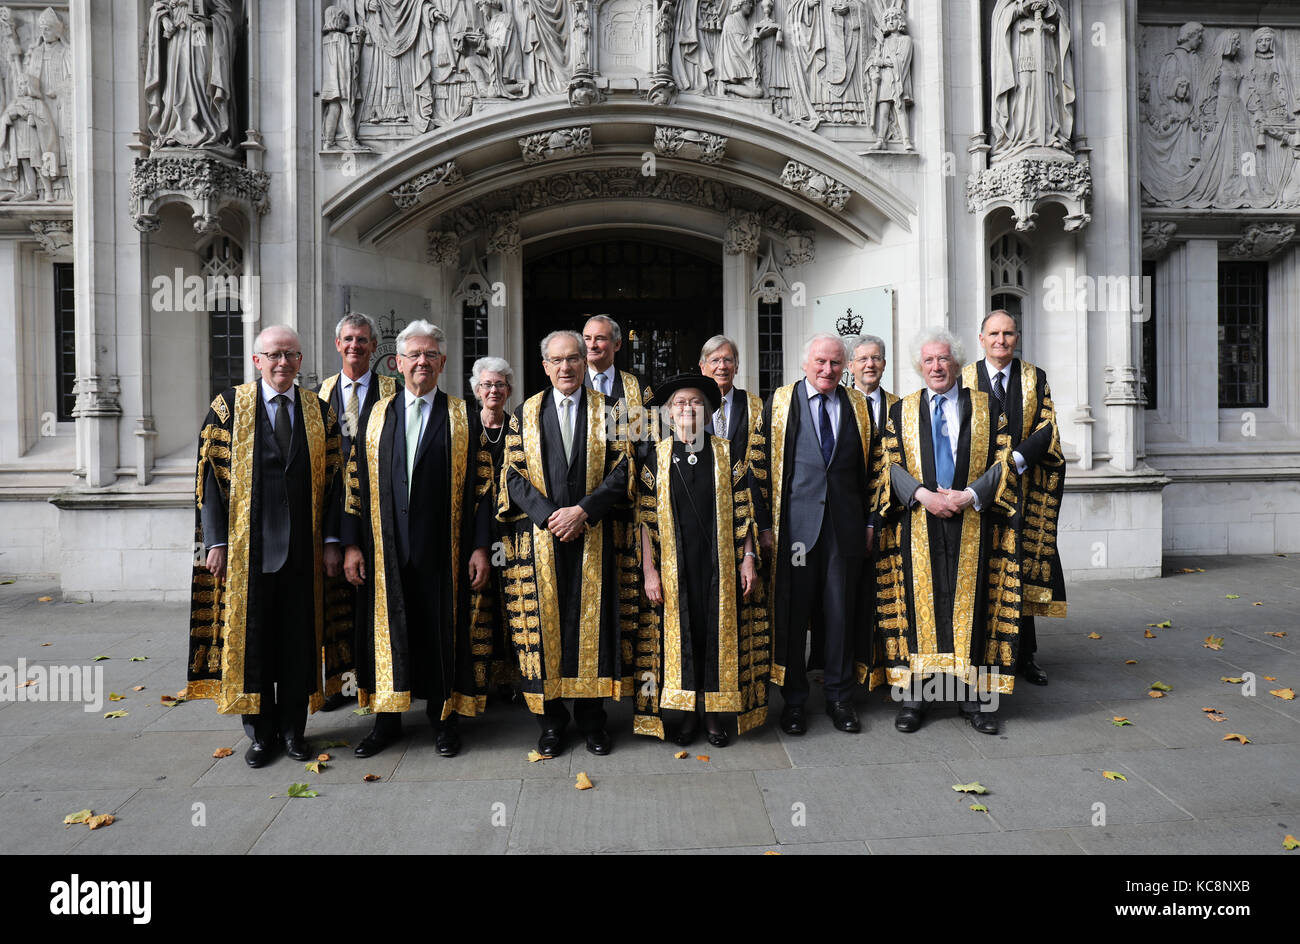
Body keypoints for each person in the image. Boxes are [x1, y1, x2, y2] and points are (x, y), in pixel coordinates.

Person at [186, 325, 344, 768]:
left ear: (300, 361)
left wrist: (332, 541)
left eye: (291, 355)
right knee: (255, 644)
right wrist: (214, 541)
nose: (282, 363)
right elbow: (208, 480)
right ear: (257, 360)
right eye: (273, 354)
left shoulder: (318, 410)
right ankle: (260, 734)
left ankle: (294, 732)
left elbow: (336, 483)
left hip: (304, 553)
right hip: (246, 553)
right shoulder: (228, 408)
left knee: (296, 645)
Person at [341, 321, 493, 758]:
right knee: (387, 637)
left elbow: (484, 487)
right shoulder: (375, 415)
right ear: (398, 362)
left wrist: (480, 547)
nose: (422, 362)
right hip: (384, 549)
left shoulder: (463, 415)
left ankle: (443, 721)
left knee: (439, 636)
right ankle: (386, 722)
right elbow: (352, 482)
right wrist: (352, 545)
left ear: (443, 362)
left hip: (443, 550)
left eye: (430, 355)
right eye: (414, 355)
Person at [878, 329, 1020, 735]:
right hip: (919, 523)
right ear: (919, 367)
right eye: (929, 361)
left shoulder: (989, 408)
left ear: (957, 364)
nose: (936, 367)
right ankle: (916, 698)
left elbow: (1005, 461)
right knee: (920, 604)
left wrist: (969, 495)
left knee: (972, 608)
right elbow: (888, 465)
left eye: (943, 360)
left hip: (973, 519)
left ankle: (975, 700)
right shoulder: (900, 411)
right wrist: (923, 495)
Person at [497, 330, 632, 756]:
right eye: (557, 360)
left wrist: (584, 511)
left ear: (583, 362)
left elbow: (625, 467)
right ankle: (551, 723)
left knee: (590, 629)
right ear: (545, 366)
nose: (566, 367)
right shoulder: (523, 413)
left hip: (593, 535)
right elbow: (512, 473)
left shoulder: (611, 410)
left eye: (573, 358)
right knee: (547, 632)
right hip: (542, 540)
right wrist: (548, 515)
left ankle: (593, 722)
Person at [636, 373, 764, 746]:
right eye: (679, 403)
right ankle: (687, 714)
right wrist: (649, 572)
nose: (687, 408)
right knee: (683, 636)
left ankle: (713, 715)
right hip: (675, 568)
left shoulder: (727, 454)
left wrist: (749, 559)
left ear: (707, 411)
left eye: (695, 402)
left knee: (714, 635)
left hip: (719, 566)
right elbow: (643, 520)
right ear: (669, 413)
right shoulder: (655, 458)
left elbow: (746, 513)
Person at [765, 333, 877, 736]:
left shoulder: (860, 408)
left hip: (844, 531)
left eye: (834, 363)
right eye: (820, 362)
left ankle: (839, 698)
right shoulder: (779, 404)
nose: (827, 369)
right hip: (794, 533)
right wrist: (764, 527)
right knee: (793, 618)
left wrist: (869, 523)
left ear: (844, 366)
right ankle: (794, 702)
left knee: (839, 614)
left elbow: (875, 470)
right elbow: (762, 469)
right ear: (804, 363)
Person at [962, 310, 1066, 686]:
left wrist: (1015, 461)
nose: (1000, 340)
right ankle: (981, 652)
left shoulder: (1034, 378)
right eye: (993, 333)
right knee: (983, 571)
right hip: (979, 491)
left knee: (1019, 569)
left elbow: (1047, 427)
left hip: (1021, 488)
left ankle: (1025, 656)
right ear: (981, 338)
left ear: (1016, 338)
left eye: (1007, 334)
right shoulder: (965, 377)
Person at [316, 312, 397, 711]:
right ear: (337, 344)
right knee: (338, 606)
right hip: (336, 515)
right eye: (348, 339)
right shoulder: (319, 396)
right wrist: (333, 538)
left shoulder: (393, 391)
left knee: (378, 603)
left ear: (373, 347)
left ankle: (381, 680)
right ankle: (341, 685)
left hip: (383, 516)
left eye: (363, 340)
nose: (355, 346)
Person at [467, 355, 518, 699]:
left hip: (513, 531)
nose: (493, 390)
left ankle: (510, 680)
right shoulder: (466, 428)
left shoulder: (521, 427)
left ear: (509, 390)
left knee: (512, 602)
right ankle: (478, 680)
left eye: (499, 384)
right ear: (476, 390)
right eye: (487, 384)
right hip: (475, 530)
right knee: (479, 603)